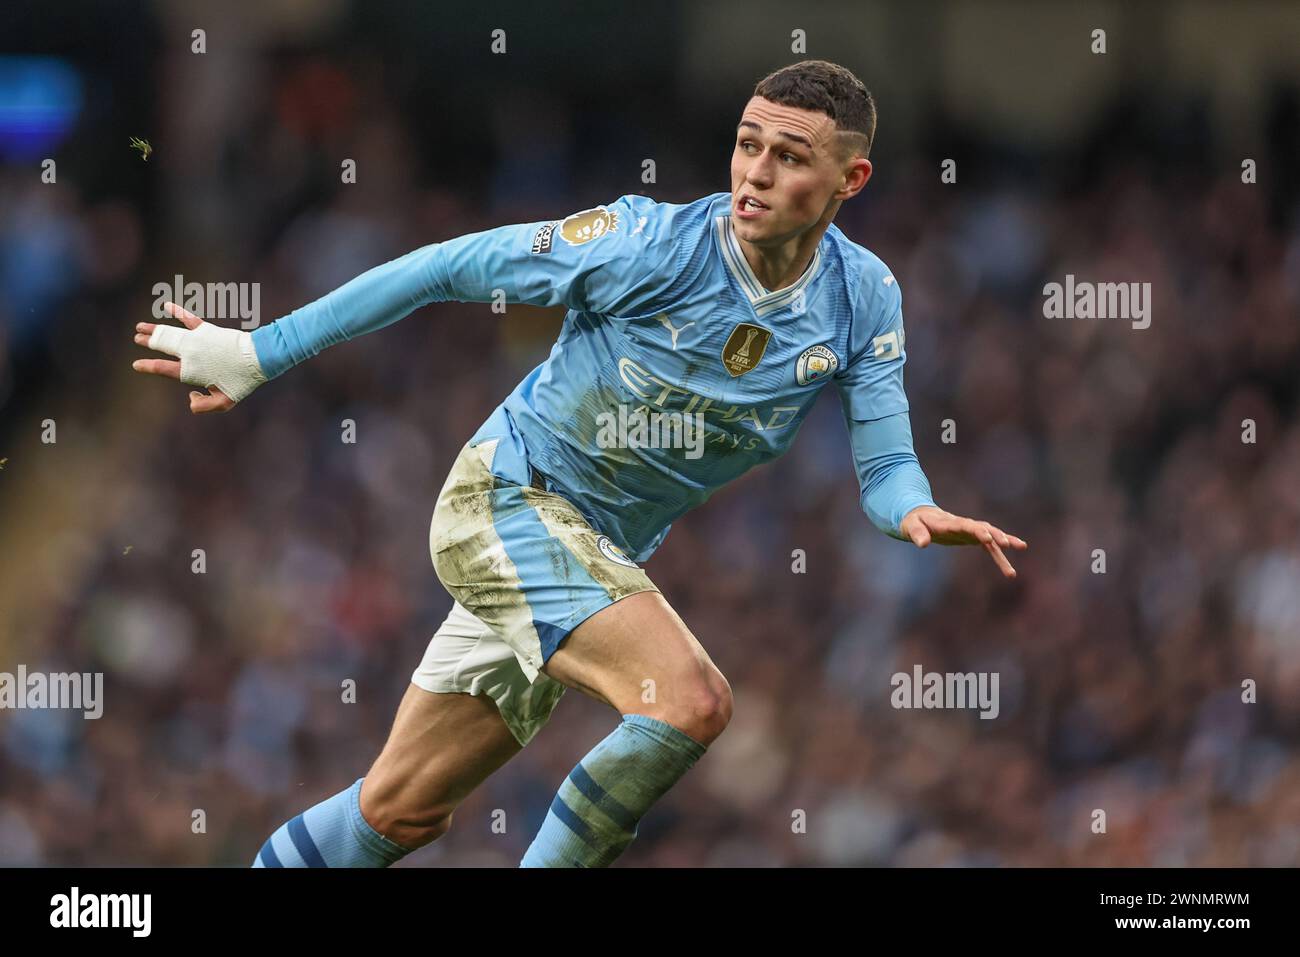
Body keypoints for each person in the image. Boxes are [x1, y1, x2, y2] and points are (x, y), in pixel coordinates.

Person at [131, 59, 1027, 868]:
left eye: (790, 156)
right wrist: (261, 353)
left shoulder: (863, 298)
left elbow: (885, 467)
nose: (756, 172)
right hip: (506, 502)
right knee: (690, 701)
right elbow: (449, 266)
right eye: (747, 144)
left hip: (590, 554)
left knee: (399, 812)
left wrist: (916, 510)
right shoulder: (645, 244)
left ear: (850, 179)